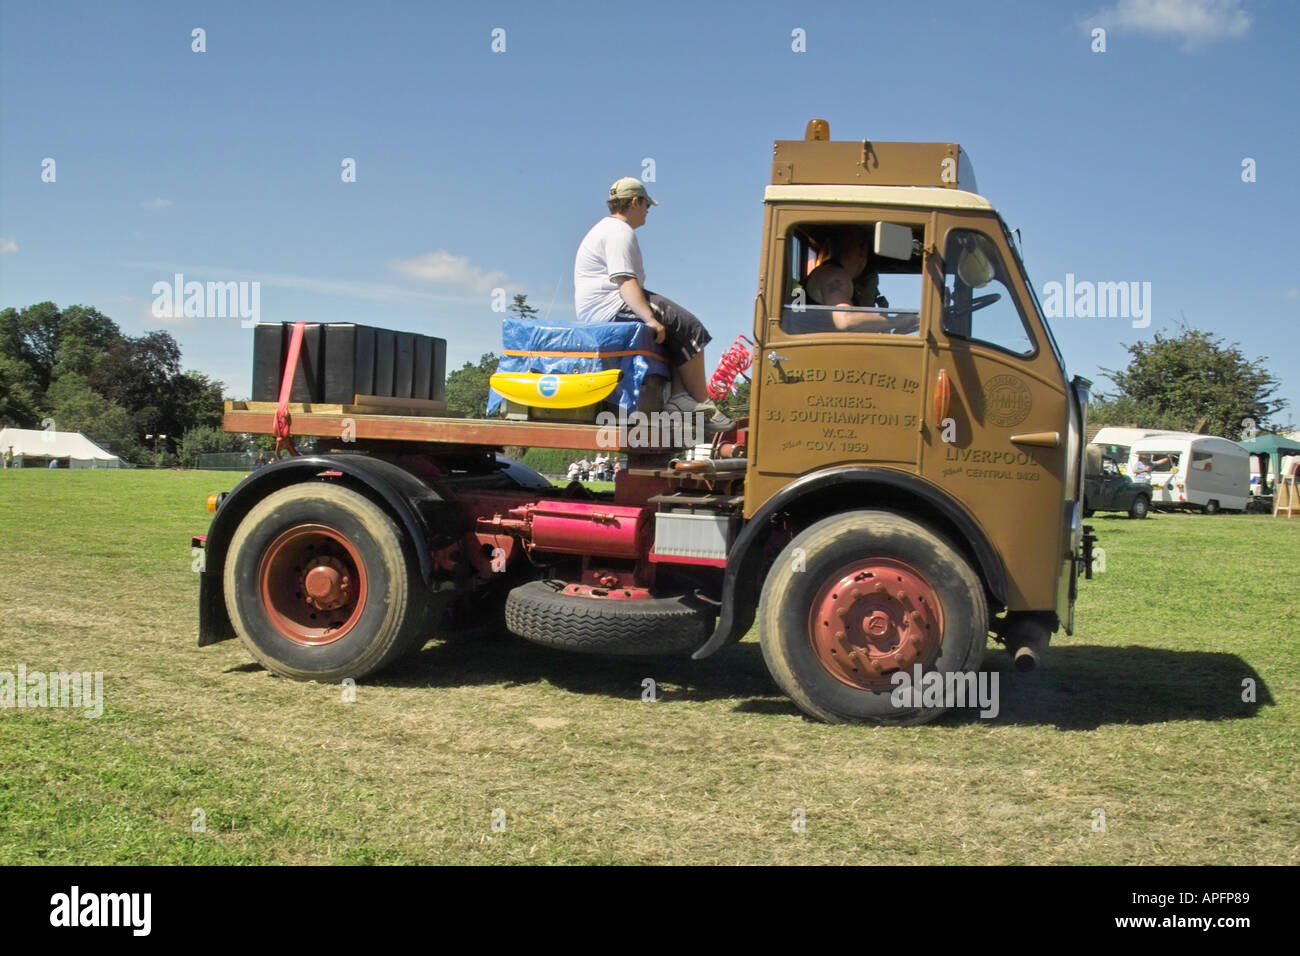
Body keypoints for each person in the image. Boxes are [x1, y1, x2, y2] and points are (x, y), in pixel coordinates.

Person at [574, 177, 734, 433]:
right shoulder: (618, 231)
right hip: (609, 306)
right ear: (635, 202)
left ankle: (679, 398)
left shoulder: (607, 229)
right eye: (647, 205)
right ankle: (703, 404)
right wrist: (649, 318)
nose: (648, 211)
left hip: (601, 306)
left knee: (674, 327)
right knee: (691, 327)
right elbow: (625, 281)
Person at [805, 227, 916, 333]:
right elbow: (845, 320)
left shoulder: (829, 273)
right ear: (863, 251)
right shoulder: (834, 275)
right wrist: (896, 321)